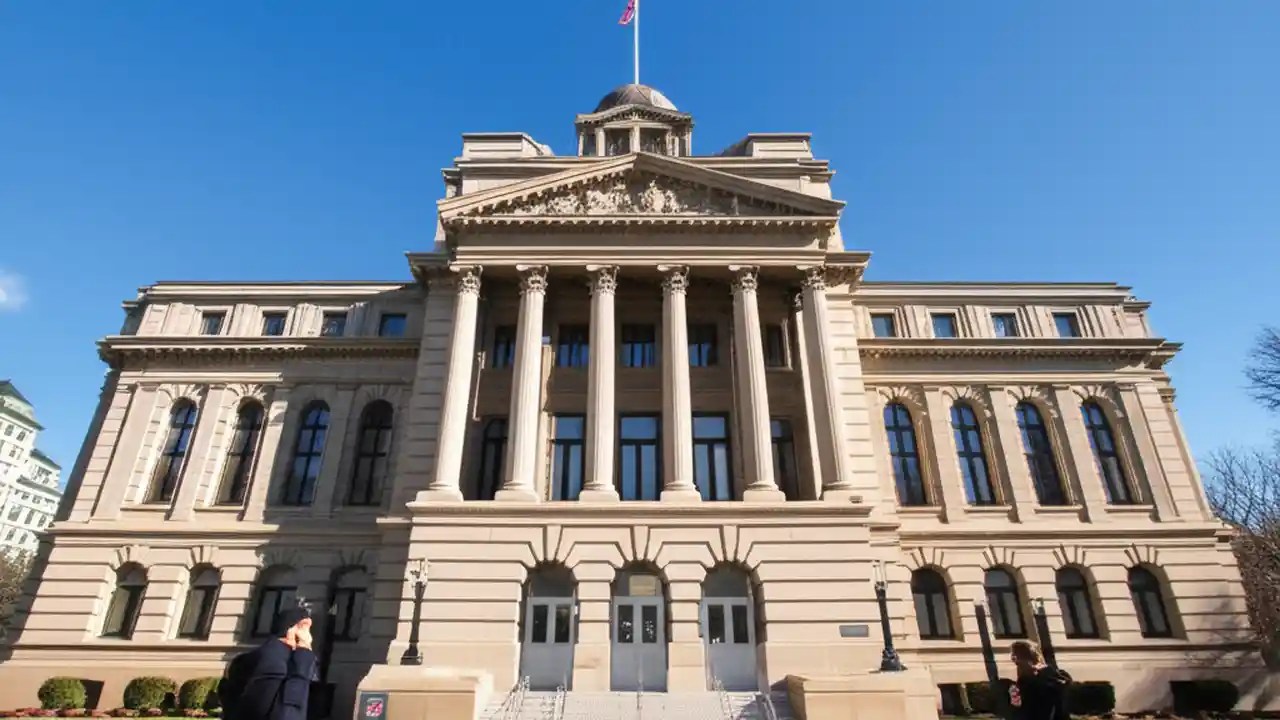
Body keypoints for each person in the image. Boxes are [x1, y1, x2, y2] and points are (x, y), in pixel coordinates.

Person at [219, 608, 318, 720]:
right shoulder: (279, 662)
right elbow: (288, 711)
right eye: (307, 629)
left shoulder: (245, 660)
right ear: (296, 631)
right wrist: (303, 655)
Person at [1007, 640, 1072, 720]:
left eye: (1014, 656)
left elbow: (1021, 705)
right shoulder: (1046, 670)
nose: (1014, 660)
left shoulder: (1033, 675)